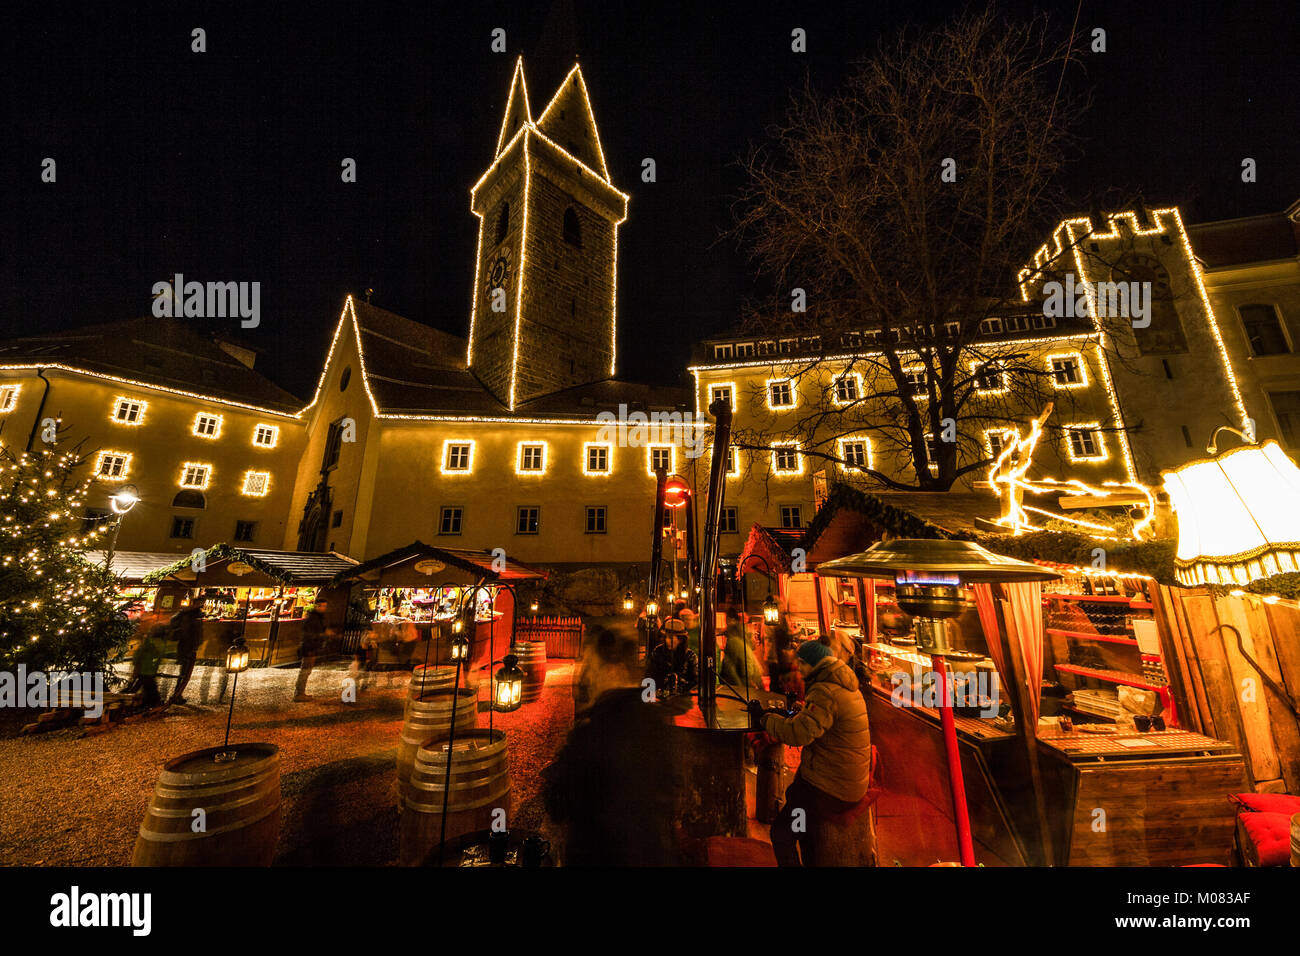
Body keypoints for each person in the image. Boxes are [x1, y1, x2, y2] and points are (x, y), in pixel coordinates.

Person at [543, 626, 682, 865]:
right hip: (650, 854)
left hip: (598, 856)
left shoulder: (591, 733)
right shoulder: (657, 727)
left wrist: (556, 773)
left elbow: (557, 803)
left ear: (600, 671)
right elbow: (672, 788)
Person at [750, 639, 871, 866]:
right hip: (846, 780)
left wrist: (765, 718)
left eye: (802, 663)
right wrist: (797, 712)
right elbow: (817, 721)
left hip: (831, 788)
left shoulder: (825, 691)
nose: (798, 668)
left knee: (782, 833)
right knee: (800, 817)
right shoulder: (842, 685)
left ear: (813, 664)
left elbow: (799, 735)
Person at [167, 596, 205, 704]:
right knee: (185, 672)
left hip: (186, 645)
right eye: (201, 603)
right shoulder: (191, 615)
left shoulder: (188, 613)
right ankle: (177, 695)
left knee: (184, 671)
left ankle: (177, 694)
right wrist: (195, 643)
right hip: (188, 645)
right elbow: (192, 632)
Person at [294, 598, 332, 701]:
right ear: (317, 606)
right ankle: (299, 694)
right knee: (305, 670)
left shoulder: (318, 617)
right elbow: (309, 634)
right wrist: (323, 634)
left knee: (307, 670)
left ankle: (300, 692)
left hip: (312, 646)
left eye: (325, 606)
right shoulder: (312, 618)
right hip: (309, 647)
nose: (324, 608)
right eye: (322, 606)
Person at [647, 619, 697, 695]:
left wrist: (680, 684)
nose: (667, 640)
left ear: (680, 640)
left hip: (683, 699)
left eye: (670, 638)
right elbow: (650, 674)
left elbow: (696, 680)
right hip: (660, 698)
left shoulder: (690, 656)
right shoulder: (658, 652)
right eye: (666, 637)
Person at [720, 609, 764, 694]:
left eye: (727, 619)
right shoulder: (742, 634)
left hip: (742, 680)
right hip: (748, 675)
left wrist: (738, 687)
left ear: (731, 620)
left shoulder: (733, 639)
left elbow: (730, 667)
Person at [130, 624, 166, 709]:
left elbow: (140, 652)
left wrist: (136, 662)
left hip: (145, 667)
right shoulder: (158, 642)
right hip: (147, 668)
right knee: (149, 685)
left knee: (147, 684)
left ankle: (151, 701)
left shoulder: (150, 641)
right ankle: (152, 702)